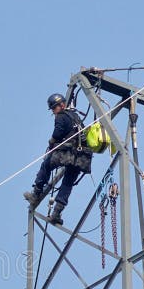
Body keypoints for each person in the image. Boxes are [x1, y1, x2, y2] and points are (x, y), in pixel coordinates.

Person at [23, 93, 92, 225]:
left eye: (54, 108)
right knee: (67, 183)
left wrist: (52, 141)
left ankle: (36, 193)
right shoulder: (76, 116)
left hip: (68, 153)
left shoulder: (61, 116)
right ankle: (57, 213)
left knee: (46, 165)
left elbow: (58, 132)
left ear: (61, 105)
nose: (54, 111)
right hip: (82, 157)